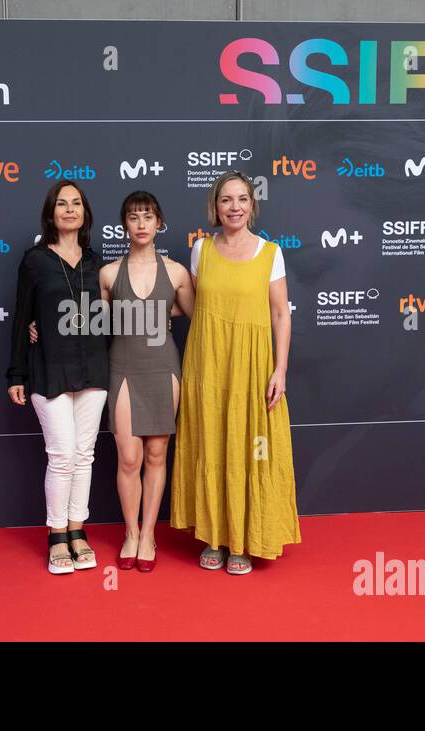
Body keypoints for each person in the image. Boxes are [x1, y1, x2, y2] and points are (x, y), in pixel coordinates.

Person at [171, 170, 300, 575]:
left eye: (242, 199)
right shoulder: (200, 251)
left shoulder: (270, 252)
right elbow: (192, 306)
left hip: (252, 365)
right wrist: (131, 310)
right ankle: (215, 535)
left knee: (251, 447)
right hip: (208, 363)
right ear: (215, 206)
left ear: (252, 205)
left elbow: (281, 313)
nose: (234, 207)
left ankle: (244, 538)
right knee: (212, 442)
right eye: (226, 200)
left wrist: (279, 369)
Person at [6, 181, 108, 575]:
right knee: (62, 455)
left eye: (76, 204)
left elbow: (112, 314)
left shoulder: (98, 262)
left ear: (85, 213)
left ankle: (78, 530)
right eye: (61, 204)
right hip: (49, 367)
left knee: (85, 455)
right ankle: (56, 535)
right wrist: (16, 372)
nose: (69, 210)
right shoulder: (34, 260)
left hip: (94, 368)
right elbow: (20, 317)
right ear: (51, 214)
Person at [100, 192, 193, 572]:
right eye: (134, 217)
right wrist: (40, 325)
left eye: (148, 217)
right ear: (125, 225)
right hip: (123, 367)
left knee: (157, 455)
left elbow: (200, 315)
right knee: (129, 457)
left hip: (163, 367)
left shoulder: (176, 272)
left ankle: (150, 534)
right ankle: (130, 533)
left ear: (159, 224)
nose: (141, 224)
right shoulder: (107, 274)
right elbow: (93, 323)